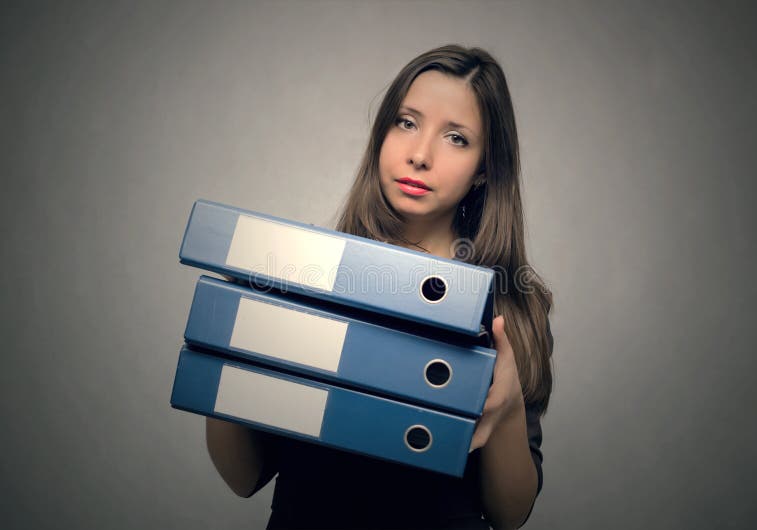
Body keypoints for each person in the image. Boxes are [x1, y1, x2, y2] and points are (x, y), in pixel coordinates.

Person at [205, 44, 554, 530]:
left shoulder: (510, 306)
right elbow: (244, 476)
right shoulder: (303, 275)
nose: (419, 154)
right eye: (406, 123)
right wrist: (226, 358)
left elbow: (509, 514)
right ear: (381, 133)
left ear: (484, 170)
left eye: (456, 137)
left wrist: (510, 404)